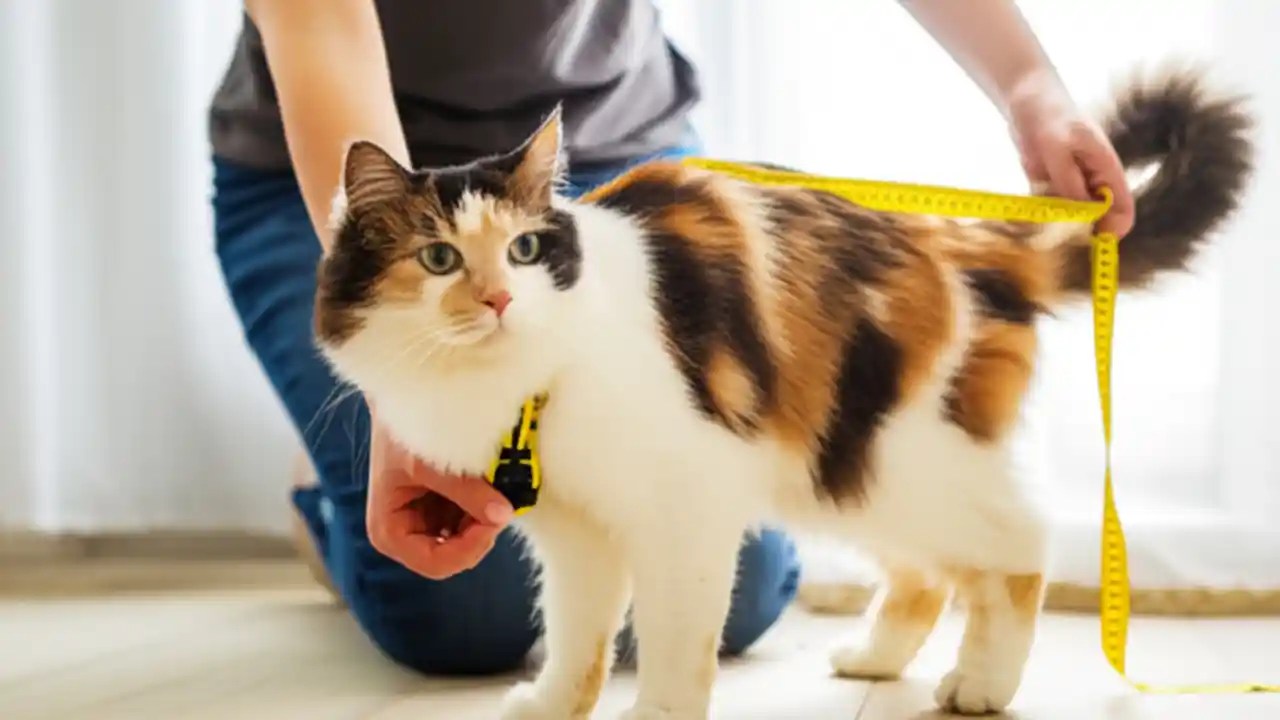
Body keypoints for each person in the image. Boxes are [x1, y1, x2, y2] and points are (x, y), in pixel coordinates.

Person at [209, 0, 1135, 676]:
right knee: (467, 617)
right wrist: (403, 390)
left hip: (588, 155)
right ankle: (321, 483)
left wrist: (1029, 85)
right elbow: (319, 26)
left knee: (725, 564)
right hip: (362, 193)